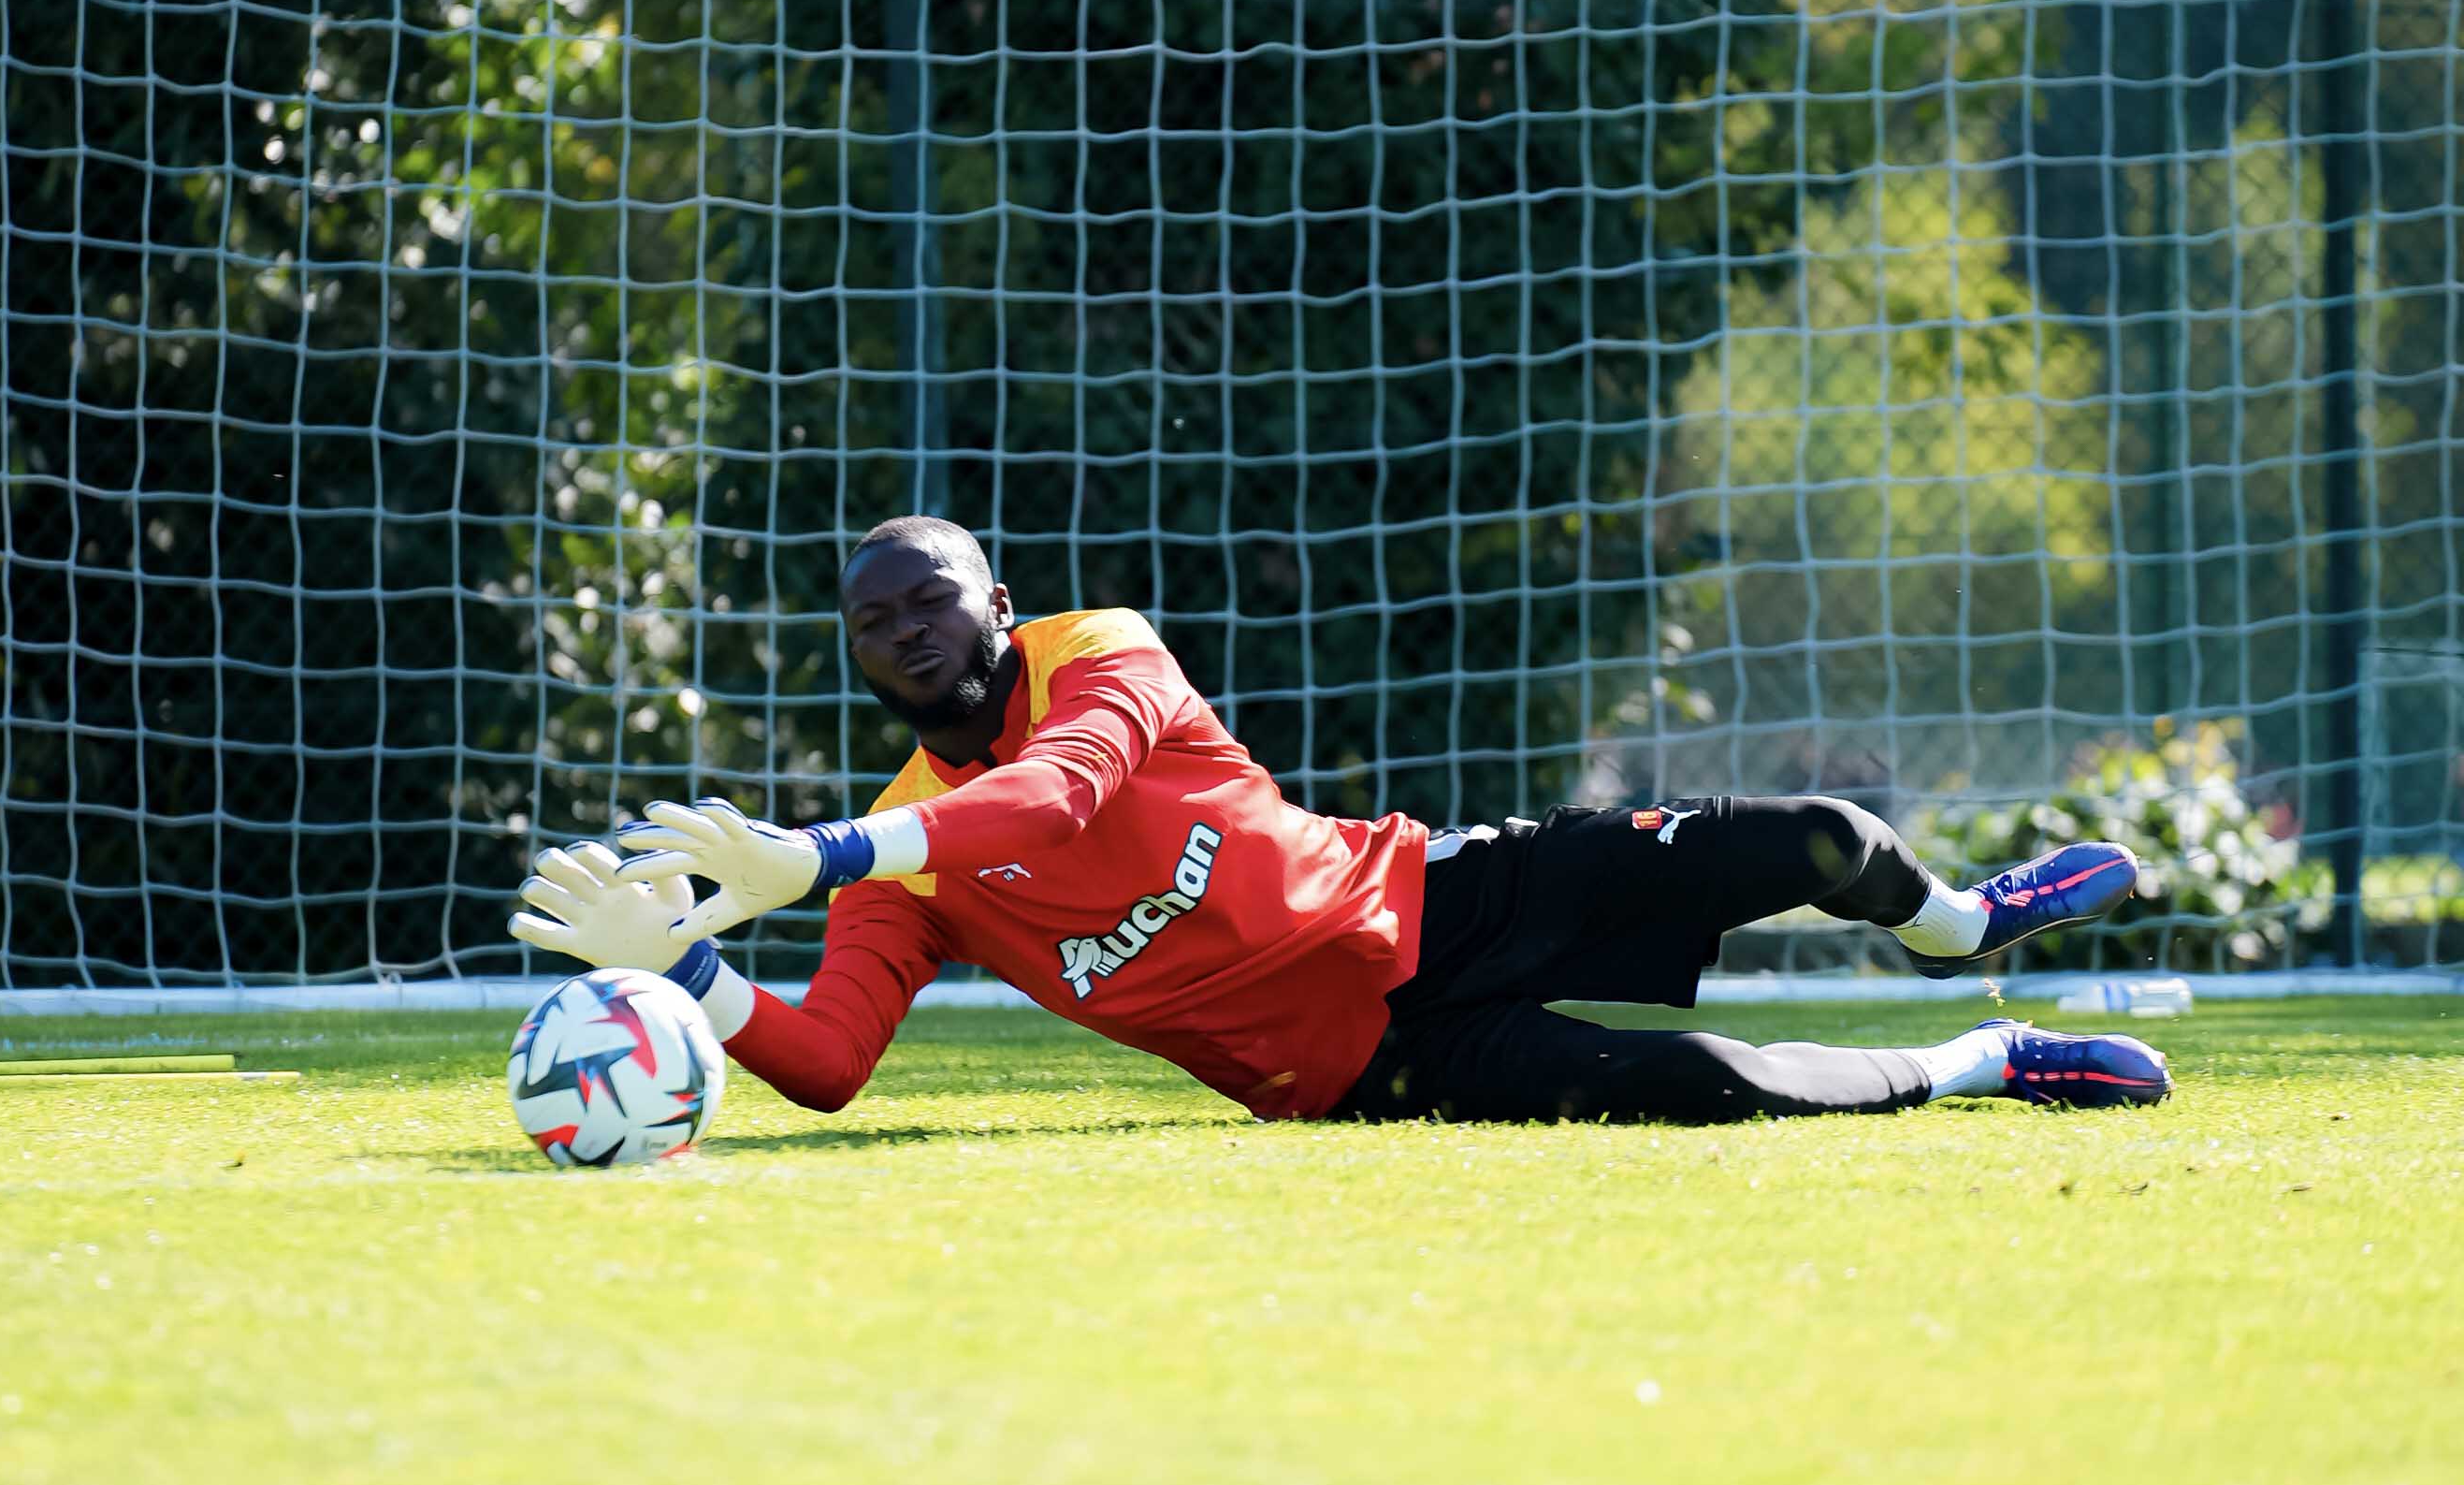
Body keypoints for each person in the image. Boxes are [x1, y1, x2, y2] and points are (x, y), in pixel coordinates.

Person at [509, 517, 2169, 1124]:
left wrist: (809, 861)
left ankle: (1965, 929)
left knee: (1812, 836)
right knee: (1711, 1086)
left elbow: (1056, 793)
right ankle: (1988, 1063)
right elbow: (828, 1064)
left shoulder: (1102, 653)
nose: (905, 632)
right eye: (872, 624)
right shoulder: (906, 853)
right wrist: (690, 980)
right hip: (1357, 1068)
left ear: (996, 603)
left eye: (930, 598)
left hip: (1432, 898)